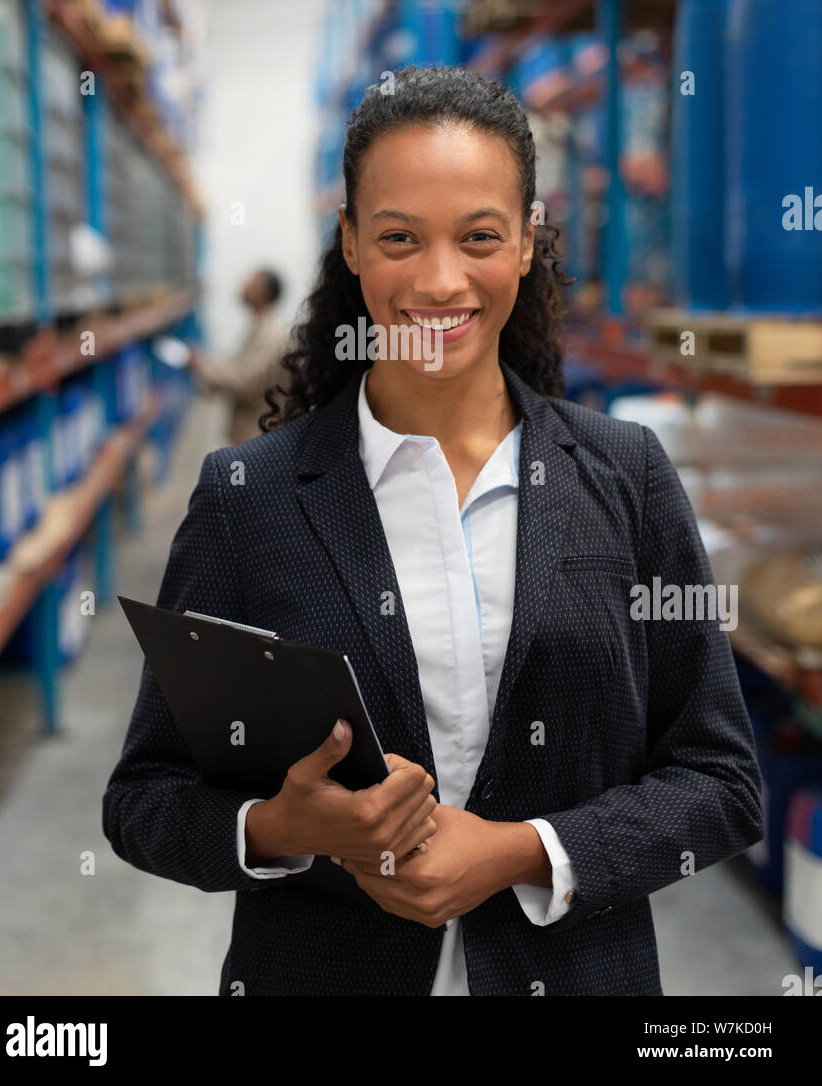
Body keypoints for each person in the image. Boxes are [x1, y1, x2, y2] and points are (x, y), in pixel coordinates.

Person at [103, 66, 763, 997]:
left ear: (528, 243)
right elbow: (144, 801)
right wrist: (284, 830)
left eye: (480, 237)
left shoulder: (628, 477)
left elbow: (720, 782)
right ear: (352, 244)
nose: (439, 280)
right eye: (400, 238)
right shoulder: (247, 497)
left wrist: (523, 852)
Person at [189, 268, 287, 445]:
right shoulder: (258, 328)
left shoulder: (272, 335)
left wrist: (201, 366)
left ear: (264, 292)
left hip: (258, 440)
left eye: (251, 282)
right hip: (252, 438)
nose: (243, 285)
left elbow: (245, 381)